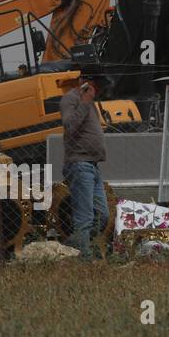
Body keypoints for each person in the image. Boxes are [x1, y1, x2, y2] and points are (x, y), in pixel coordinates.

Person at [60, 77, 108, 259]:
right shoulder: (71, 99)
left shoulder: (90, 103)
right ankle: (83, 257)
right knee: (85, 217)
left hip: (93, 165)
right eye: (93, 86)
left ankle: (75, 243)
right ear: (84, 83)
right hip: (80, 164)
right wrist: (86, 102)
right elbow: (69, 125)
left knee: (102, 215)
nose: (95, 91)